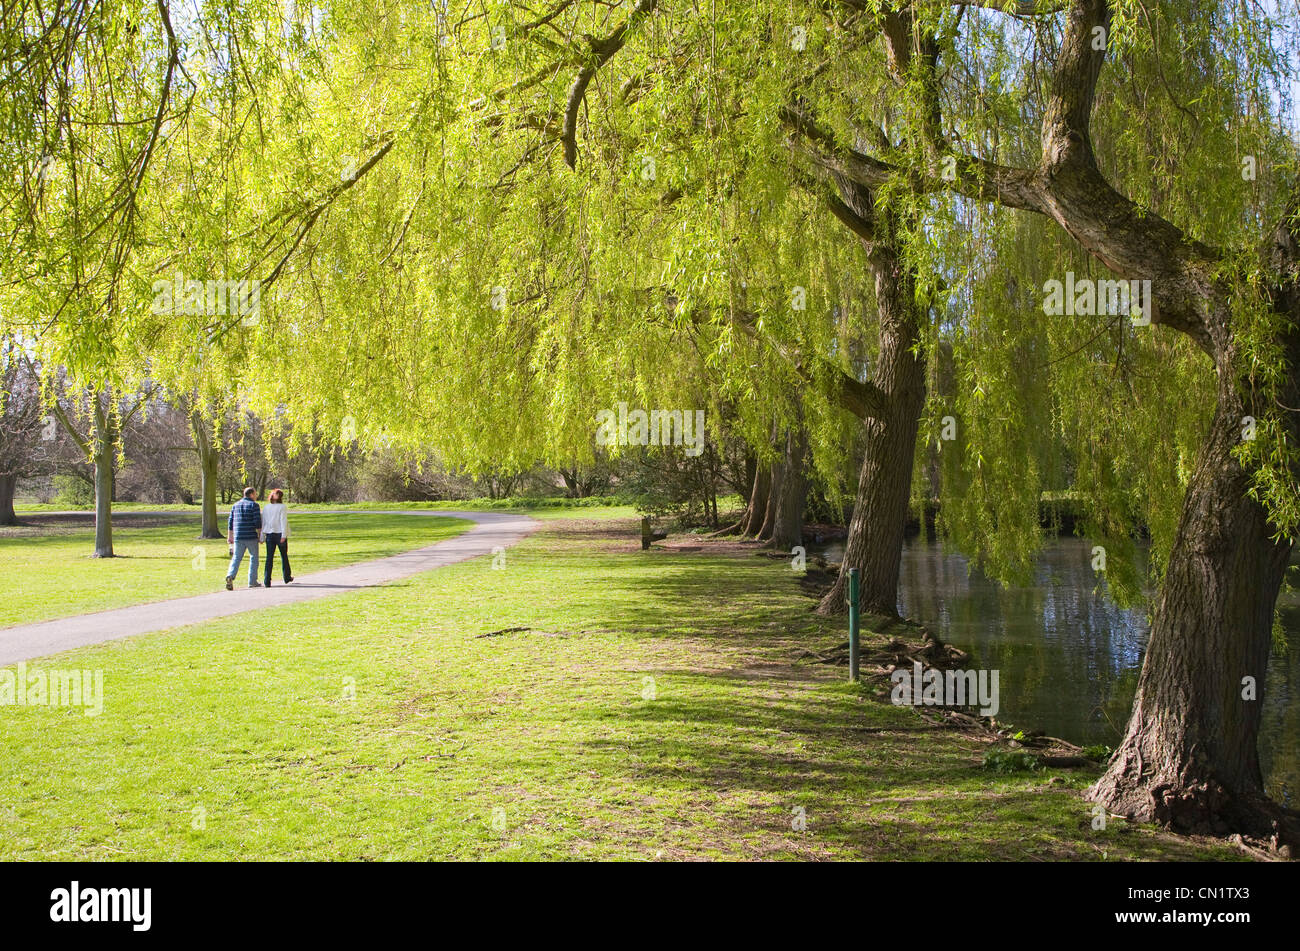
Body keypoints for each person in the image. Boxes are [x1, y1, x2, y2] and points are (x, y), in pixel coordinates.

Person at [225, 487, 263, 590]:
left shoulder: (235, 505)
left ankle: (230, 575)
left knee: (236, 557)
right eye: (255, 494)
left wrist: (230, 536)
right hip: (250, 536)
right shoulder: (254, 505)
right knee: (254, 558)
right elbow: (257, 522)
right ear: (251, 494)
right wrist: (260, 535)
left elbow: (230, 521)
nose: (256, 496)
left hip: (238, 536)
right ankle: (252, 581)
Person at [262, 488, 293, 586]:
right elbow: (283, 521)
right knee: (283, 556)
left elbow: (264, 522)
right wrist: (284, 535)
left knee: (269, 557)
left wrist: (262, 535)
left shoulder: (267, 507)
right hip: (279, 533)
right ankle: (286, 577)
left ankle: (267, 580)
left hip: (270, 534)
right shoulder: (282, 507)